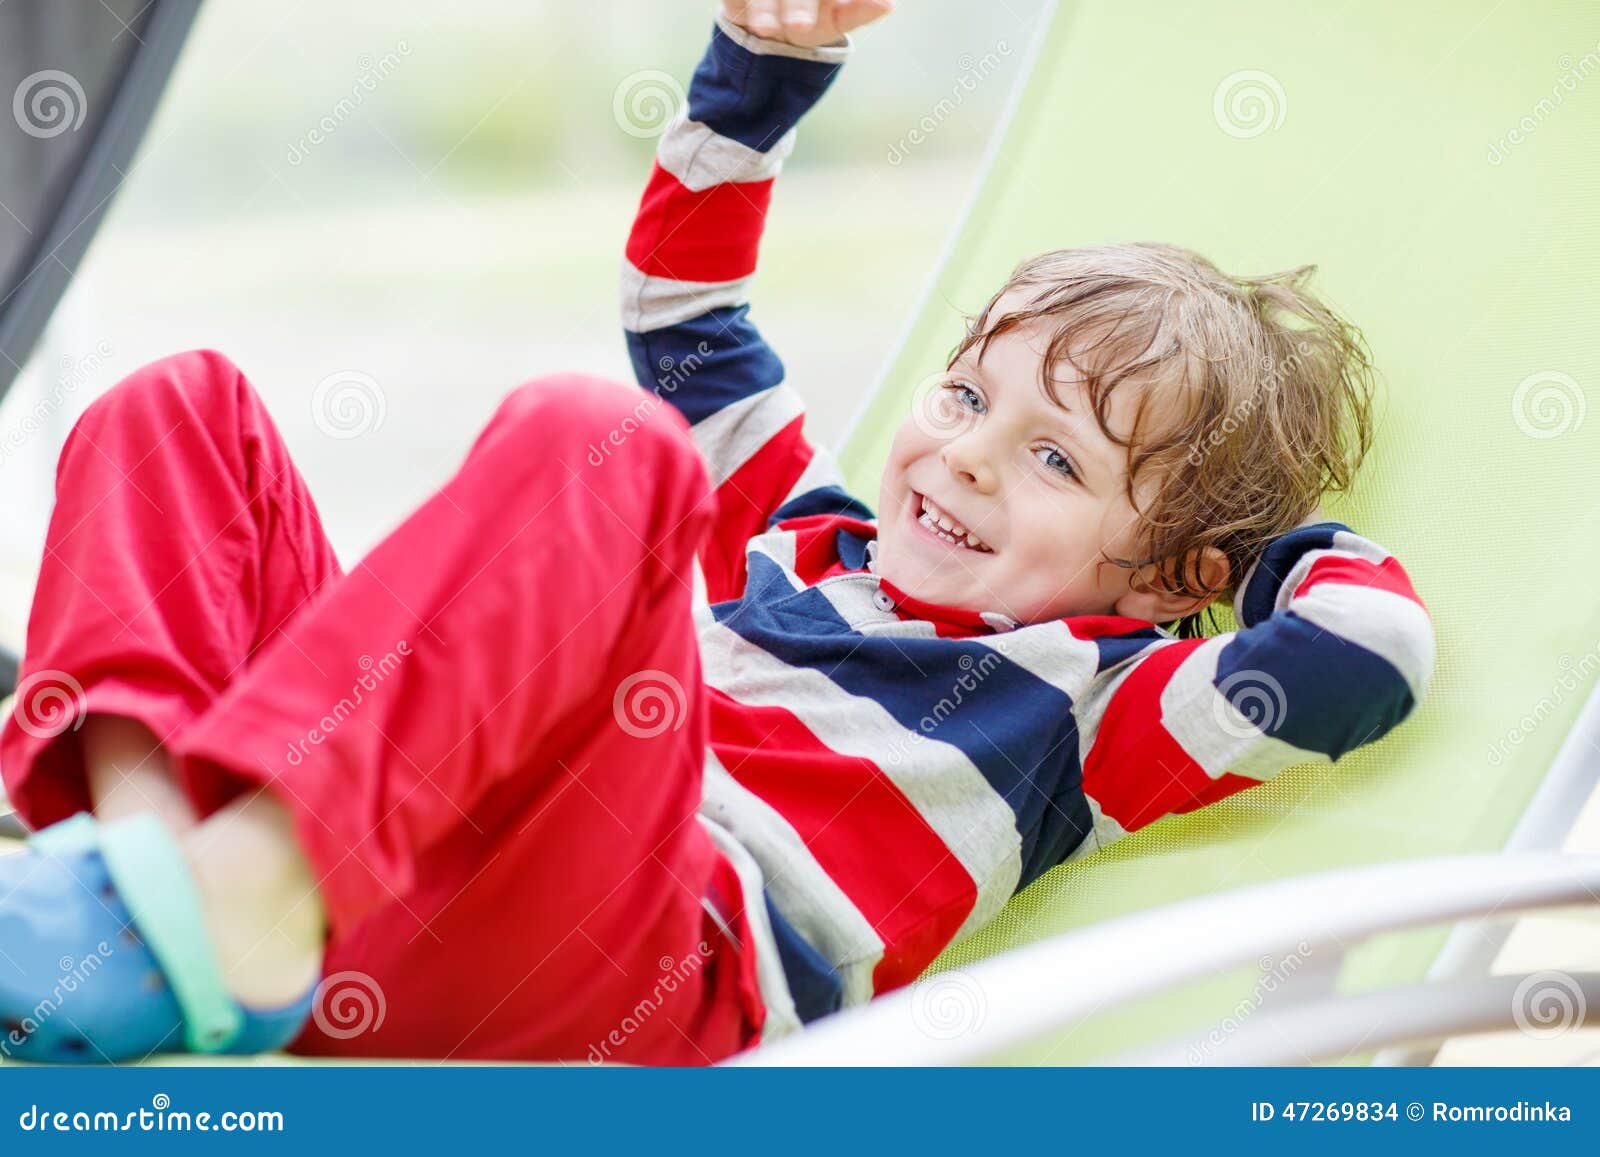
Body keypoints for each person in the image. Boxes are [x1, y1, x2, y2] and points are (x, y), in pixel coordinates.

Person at [0, 0, 1432, 1064]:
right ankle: (152, 904)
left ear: (1169, 569)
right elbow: (685, 321)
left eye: (1053, 454)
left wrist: (1231, 542)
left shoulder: (1100, 697)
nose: (968, 458)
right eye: (966, 392)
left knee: (603, 451)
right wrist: (765, 69)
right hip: (376, 880)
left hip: (628, 970)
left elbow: (1369, 642)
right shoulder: (814, 538)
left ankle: (223, 907)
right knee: (172, 408)